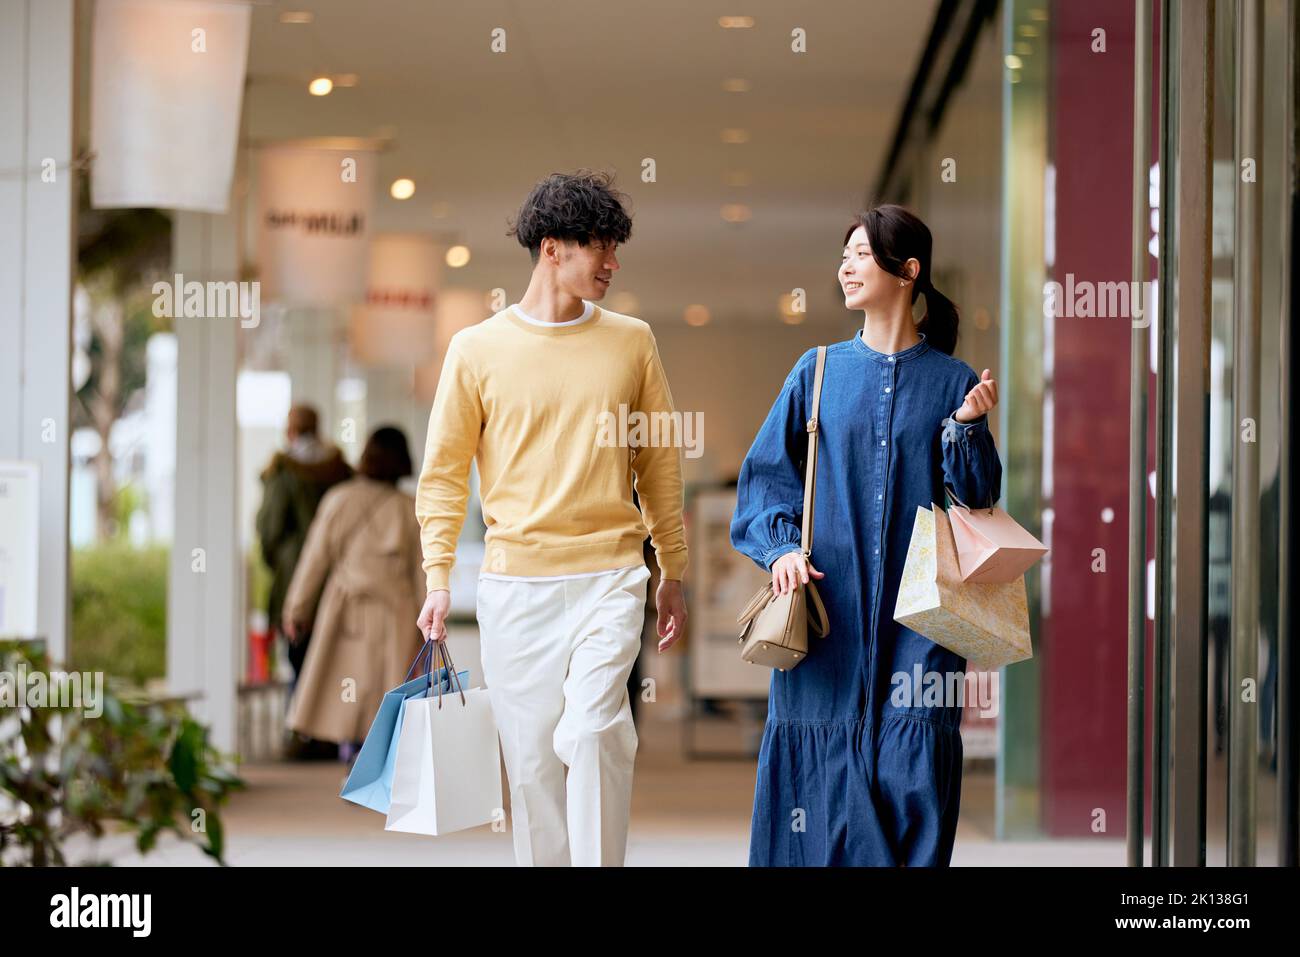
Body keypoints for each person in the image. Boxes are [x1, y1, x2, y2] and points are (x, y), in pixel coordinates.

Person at [415, 170, 689, 867]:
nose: (611, 262)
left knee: (597, 732)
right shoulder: (477, 350)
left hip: (611, 575)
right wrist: (438, 575)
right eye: (599, 245)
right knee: (534, 767)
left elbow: (657, 462)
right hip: (516, 586)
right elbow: (445, 473)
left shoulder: (632, 341)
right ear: (551, 249)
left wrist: (673, 567)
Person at [730, 204, 1003, 866]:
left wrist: (967, 427)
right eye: (844, 254)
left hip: (923, 619)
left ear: (908, 272)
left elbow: (979, 499)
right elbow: (764, 480)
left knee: (911, 770)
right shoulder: (816, 370)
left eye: (861, 253)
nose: (845, 266)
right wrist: (782, 548)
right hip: (828, 612)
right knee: (817, 789)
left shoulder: (954, 381)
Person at [281, 427, 427, 762]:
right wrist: (427, 619)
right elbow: (422, 569)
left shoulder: (338, 499)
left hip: (347, 609)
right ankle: (381, 760)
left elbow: (314, 560)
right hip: (398, 610)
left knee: (349, 683)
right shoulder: (411, 508)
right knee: (388, 686)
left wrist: (296, 609)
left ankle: (352, 751)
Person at [256, 404, 352, 687]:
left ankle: (301, 725)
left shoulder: (282, 471)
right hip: (338, 579)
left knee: (298, 665)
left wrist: (280, 562)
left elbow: (268, 529)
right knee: (332, 667)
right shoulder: (340, 469)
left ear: (290, 430)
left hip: (293, 578)